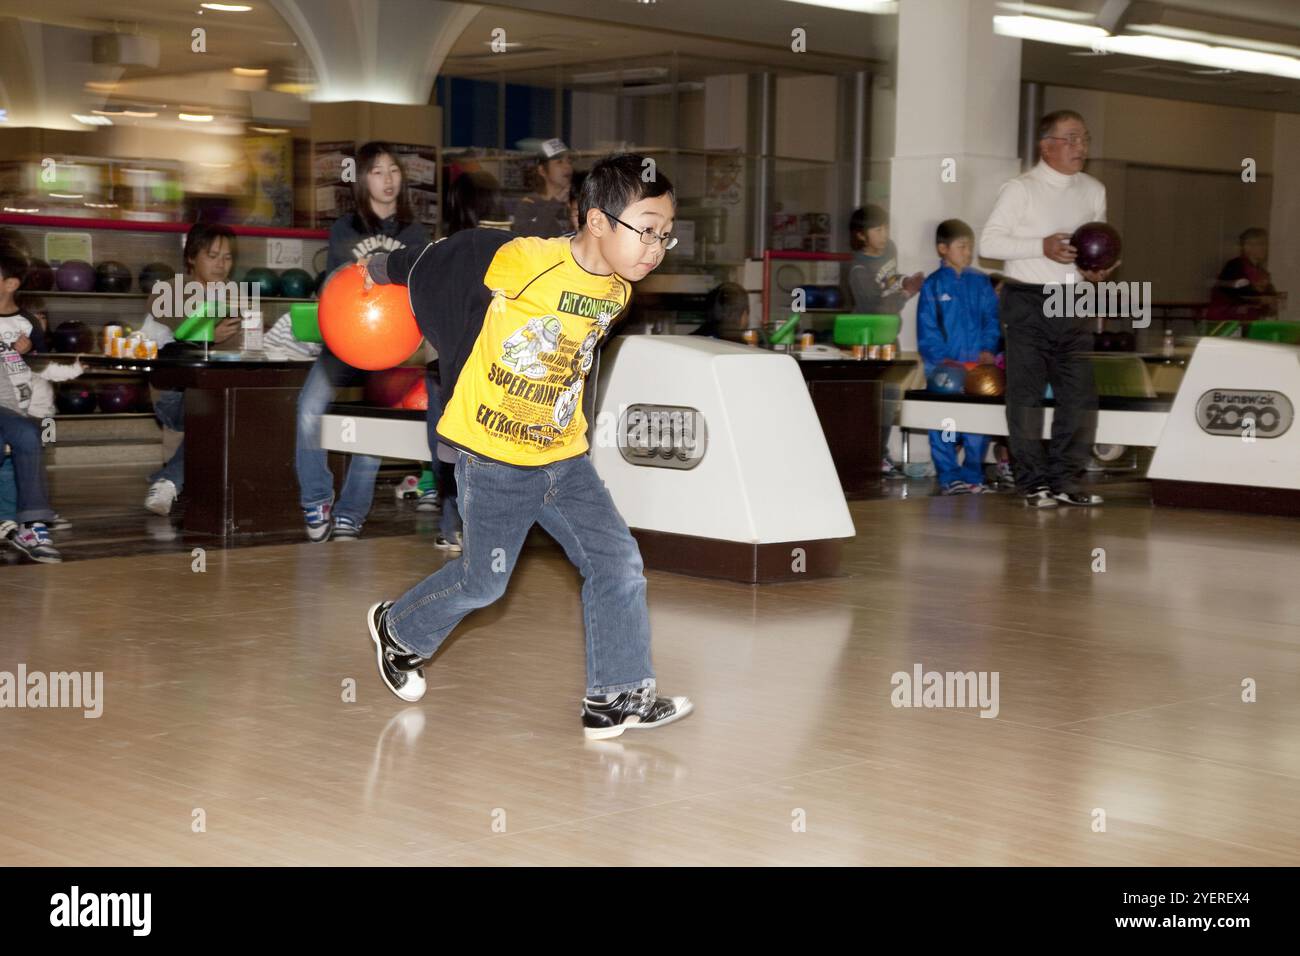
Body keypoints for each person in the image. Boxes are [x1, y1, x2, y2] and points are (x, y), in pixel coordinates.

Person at [360, 153, 694, 739]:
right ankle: (398, 628)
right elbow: (446, 259)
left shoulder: (618, 292)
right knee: (484, 582)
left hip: (562, 457)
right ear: (596, 221)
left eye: (665, 235)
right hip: (491, 454)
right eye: (645, 229)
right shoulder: (524, 260)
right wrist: (385, 267)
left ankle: (616, 697)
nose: (655, 247)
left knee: (616, 561)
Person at [980, 109, 1116, 508]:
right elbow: (989, 244)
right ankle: (1031, 483)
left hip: (1072, 300)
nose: (1081, 147)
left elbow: (1099, 244)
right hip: (1026, 299)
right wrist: (1039, 246)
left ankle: (1065, 482)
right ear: (1046, 145)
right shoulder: (1020, 189)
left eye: (1084, 138)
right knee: (1027, 396)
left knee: (1079, 397)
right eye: (1071, 138)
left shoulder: (1094, 189)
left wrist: (1098, 270)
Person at [294, 142, 429, 542]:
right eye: (377, 171)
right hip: (343, 343)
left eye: (393, 171)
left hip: (390, 347)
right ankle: (317, 499)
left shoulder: (415, 233)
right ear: (362, 180)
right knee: (307, 409)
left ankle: (352, 513)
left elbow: (420, 289)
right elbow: (338, 286)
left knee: (372, 427)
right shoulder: (345, 229)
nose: (388, 180)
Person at [141, 222, 241, 516]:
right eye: (213, 256)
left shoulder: (231, 296)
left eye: (227, 257)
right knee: (217, 411)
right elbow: (184, 328)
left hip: (204, 391)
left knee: (230, 403)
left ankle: (168, 477)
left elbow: (241, 346)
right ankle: (170, 480)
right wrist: (211, 334)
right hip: (170, 396)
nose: (221, 264)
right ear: (191, 257)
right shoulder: (169, 290)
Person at [916, 220, 1000, 495]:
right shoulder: (933, 284)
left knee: (977, 423)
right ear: (943, 249)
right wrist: (943, 359)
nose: (968, 252)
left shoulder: (980, 281)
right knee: (943, 423)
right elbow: (927, 329)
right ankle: (949, 477)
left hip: (978, 368)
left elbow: (992, 319)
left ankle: (974, 475)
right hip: (943, 368)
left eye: (970, 247)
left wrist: (989, 348)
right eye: (962, 246)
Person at [844, 204, 924, 479]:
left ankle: (880, 454)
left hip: (890, 336)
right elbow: (876, 309)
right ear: (862, 236)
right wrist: (905, 293)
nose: (884, 234)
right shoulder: (857, 270)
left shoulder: (889, 248)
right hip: (868, 339)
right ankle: (871, 455)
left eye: (885, 227)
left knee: (890, 397)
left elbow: (889, 279)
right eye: (877, 230)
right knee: (871, 400)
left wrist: (903, 281)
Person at [0, 246, 60, 562]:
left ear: (11, 284)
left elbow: (41, 361)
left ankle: (32, 526)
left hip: (12, 406)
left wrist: (29, 351)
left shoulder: (27, 322)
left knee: (27, 434)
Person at [1209, 228, 1282, 326]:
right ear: (1247, 247)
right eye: (1260, 244)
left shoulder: (1263, 272)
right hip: (1228, 321)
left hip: (1248, 321)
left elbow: (1269, 295)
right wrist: (1261, 298)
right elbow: (1237, 292)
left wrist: (1272, 301)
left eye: (1265, 244)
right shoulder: (1235, 266)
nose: (1265, 248)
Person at [511, 139, 574, 239]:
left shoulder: (576, 201)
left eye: (569, 162)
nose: (567, 167)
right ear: (542, 170)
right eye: (559, 162)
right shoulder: (528, 205)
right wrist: (555, 203)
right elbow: (526, 239)